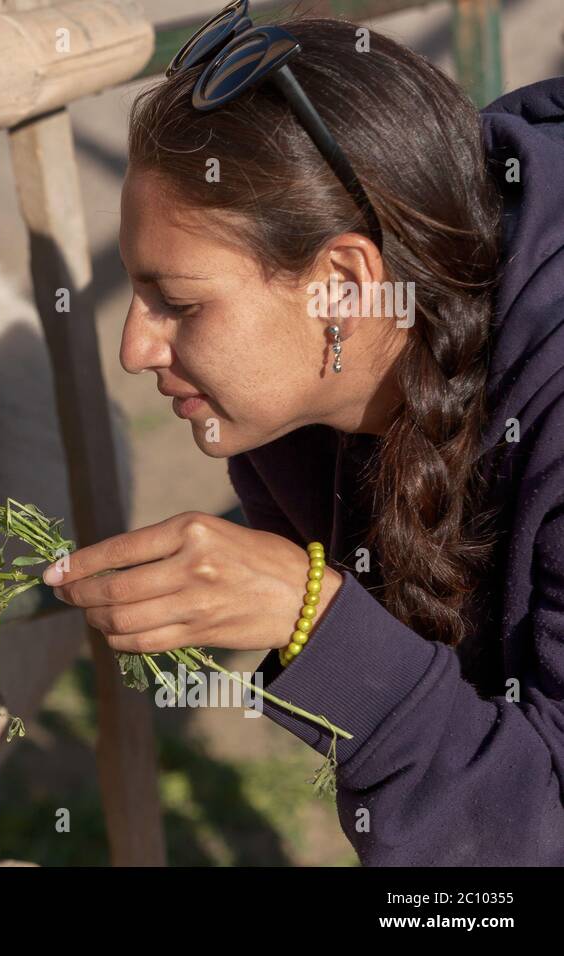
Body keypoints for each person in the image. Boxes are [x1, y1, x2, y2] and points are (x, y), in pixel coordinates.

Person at [43, 11, 564, 865]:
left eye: (179, 301)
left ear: (342, 286)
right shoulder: (291, 407)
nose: (135, 349)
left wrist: (312, 613)